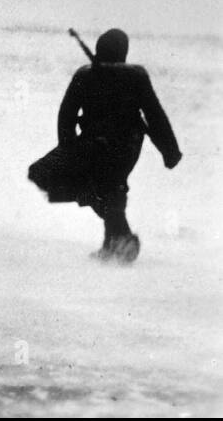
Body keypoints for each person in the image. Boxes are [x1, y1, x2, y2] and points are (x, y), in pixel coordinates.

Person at [54, 28, 181, 263]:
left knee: (106, 188)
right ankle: (113, 242)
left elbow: (66, 116)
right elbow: (155, 115)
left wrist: (68, 148)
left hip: (110, 144)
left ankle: (121, 240)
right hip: (126, 145)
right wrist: (169, 150)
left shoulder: (90, 75)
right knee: (108, 188)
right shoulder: (129, 75)